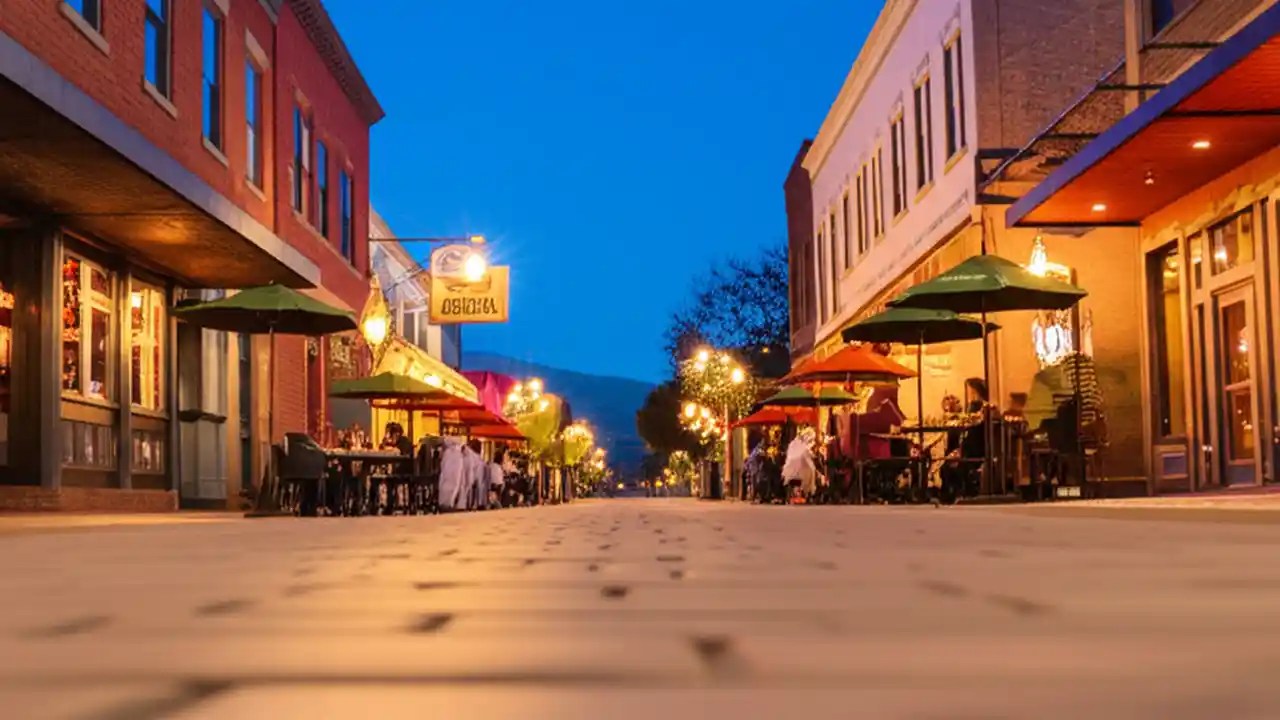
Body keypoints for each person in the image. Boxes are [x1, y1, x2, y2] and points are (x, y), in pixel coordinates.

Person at [782, 429, 818, 501]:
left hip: (789, 473)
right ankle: (807, 493)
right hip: (800, 474)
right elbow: (810, 461)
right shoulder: (804, 448)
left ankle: (794, 496)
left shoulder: (793, 444)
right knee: (810, 472)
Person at [437, 436, 466, 511]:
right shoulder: (458, 455)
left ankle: (446, 504)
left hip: (447, 487)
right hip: (453, 489)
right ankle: (449, 504)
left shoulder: (448, 454)